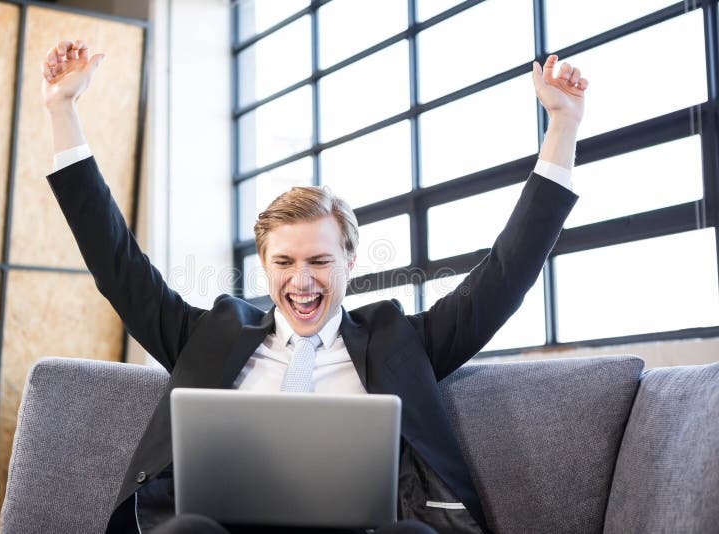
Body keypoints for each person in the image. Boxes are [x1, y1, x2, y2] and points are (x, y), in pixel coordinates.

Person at [41, 39, 587, 534]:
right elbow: (118, 265)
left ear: (350, 260)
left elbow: (504, 277)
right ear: (263, 262)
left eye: (319, 261)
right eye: (284, 262)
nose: (301, 281)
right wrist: (62, 110)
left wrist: (561, 126)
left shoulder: (398, 341)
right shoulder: (211, 335)